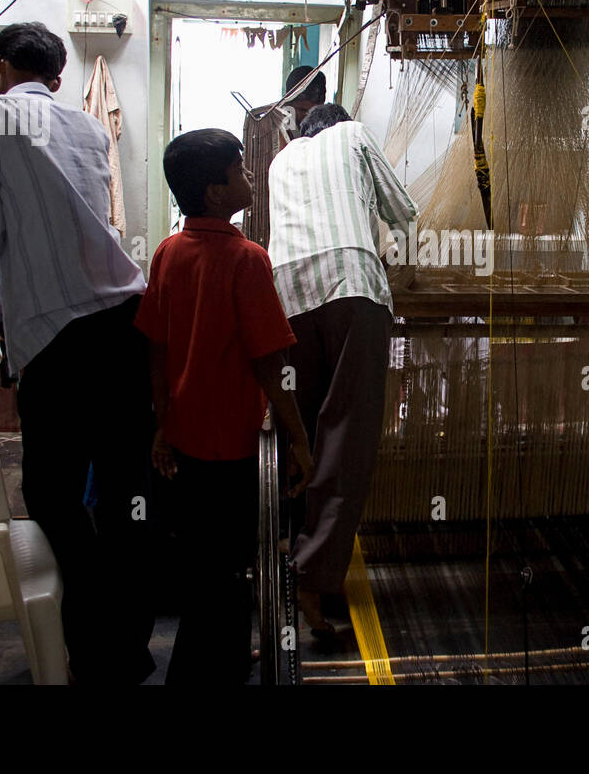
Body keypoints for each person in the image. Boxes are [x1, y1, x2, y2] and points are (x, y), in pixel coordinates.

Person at [0, 21, 155, 684]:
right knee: (124, 496)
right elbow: (46, 239)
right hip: (122, 323)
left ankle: (89, 646)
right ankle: (128, 651)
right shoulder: (85, 127)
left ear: (0, 68)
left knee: (51, 497)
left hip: (63, 342)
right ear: (55, 78)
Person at [134, 128, 313, 684]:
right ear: (215, 191)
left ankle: (220, 657)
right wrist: (300, 439)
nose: (249, 177)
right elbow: (269, 364)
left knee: (205, 567)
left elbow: (157, 350)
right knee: (227, 570)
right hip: (232, 448)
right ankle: (201, 671)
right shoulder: (246, 259)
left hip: (185, 442)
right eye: (239, 169)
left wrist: (162, 426)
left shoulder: (167, 253)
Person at [267, 102, 417, 631]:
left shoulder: (280, 161)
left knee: (303, 429)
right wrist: (409, 267)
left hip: (285, 293)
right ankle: (312, 578)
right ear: (340, 123)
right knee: (347, 434)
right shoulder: (354, 133)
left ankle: (288, 544)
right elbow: (403, 211)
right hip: (350, 284)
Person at [242, 67, 326, 251]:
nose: (306, 116)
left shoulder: (327, 126)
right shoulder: (275, 125)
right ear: (287, 101)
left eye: (312, 111)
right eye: (301, 110)